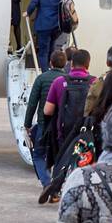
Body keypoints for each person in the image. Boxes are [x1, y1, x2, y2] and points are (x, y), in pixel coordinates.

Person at [41, 49, 95, 202]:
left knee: (61, 159)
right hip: (86, 131)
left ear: (71, 64)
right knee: (84, 160)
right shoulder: (94, 82)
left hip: (63, 131)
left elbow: (48, 110)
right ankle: (82, 193)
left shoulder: (59, 82)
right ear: (88, 64)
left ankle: (56, 191)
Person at [25, 48, 67, 188]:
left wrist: (27, 123)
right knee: (59, 155)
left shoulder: (41, 78)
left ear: (50, 62)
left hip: (44, 123)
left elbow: (32, 103)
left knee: (38, 155)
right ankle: (57, 184)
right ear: (65, 63)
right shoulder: (67, 79)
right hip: (62, 125)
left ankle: (47, 182)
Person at [26, 0, 65, 69]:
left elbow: (33, 4)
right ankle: (52, 69)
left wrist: (27, 13)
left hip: (43, 24)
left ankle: (45, 74)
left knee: (43, 51)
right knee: (52, 48)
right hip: (57, 25)